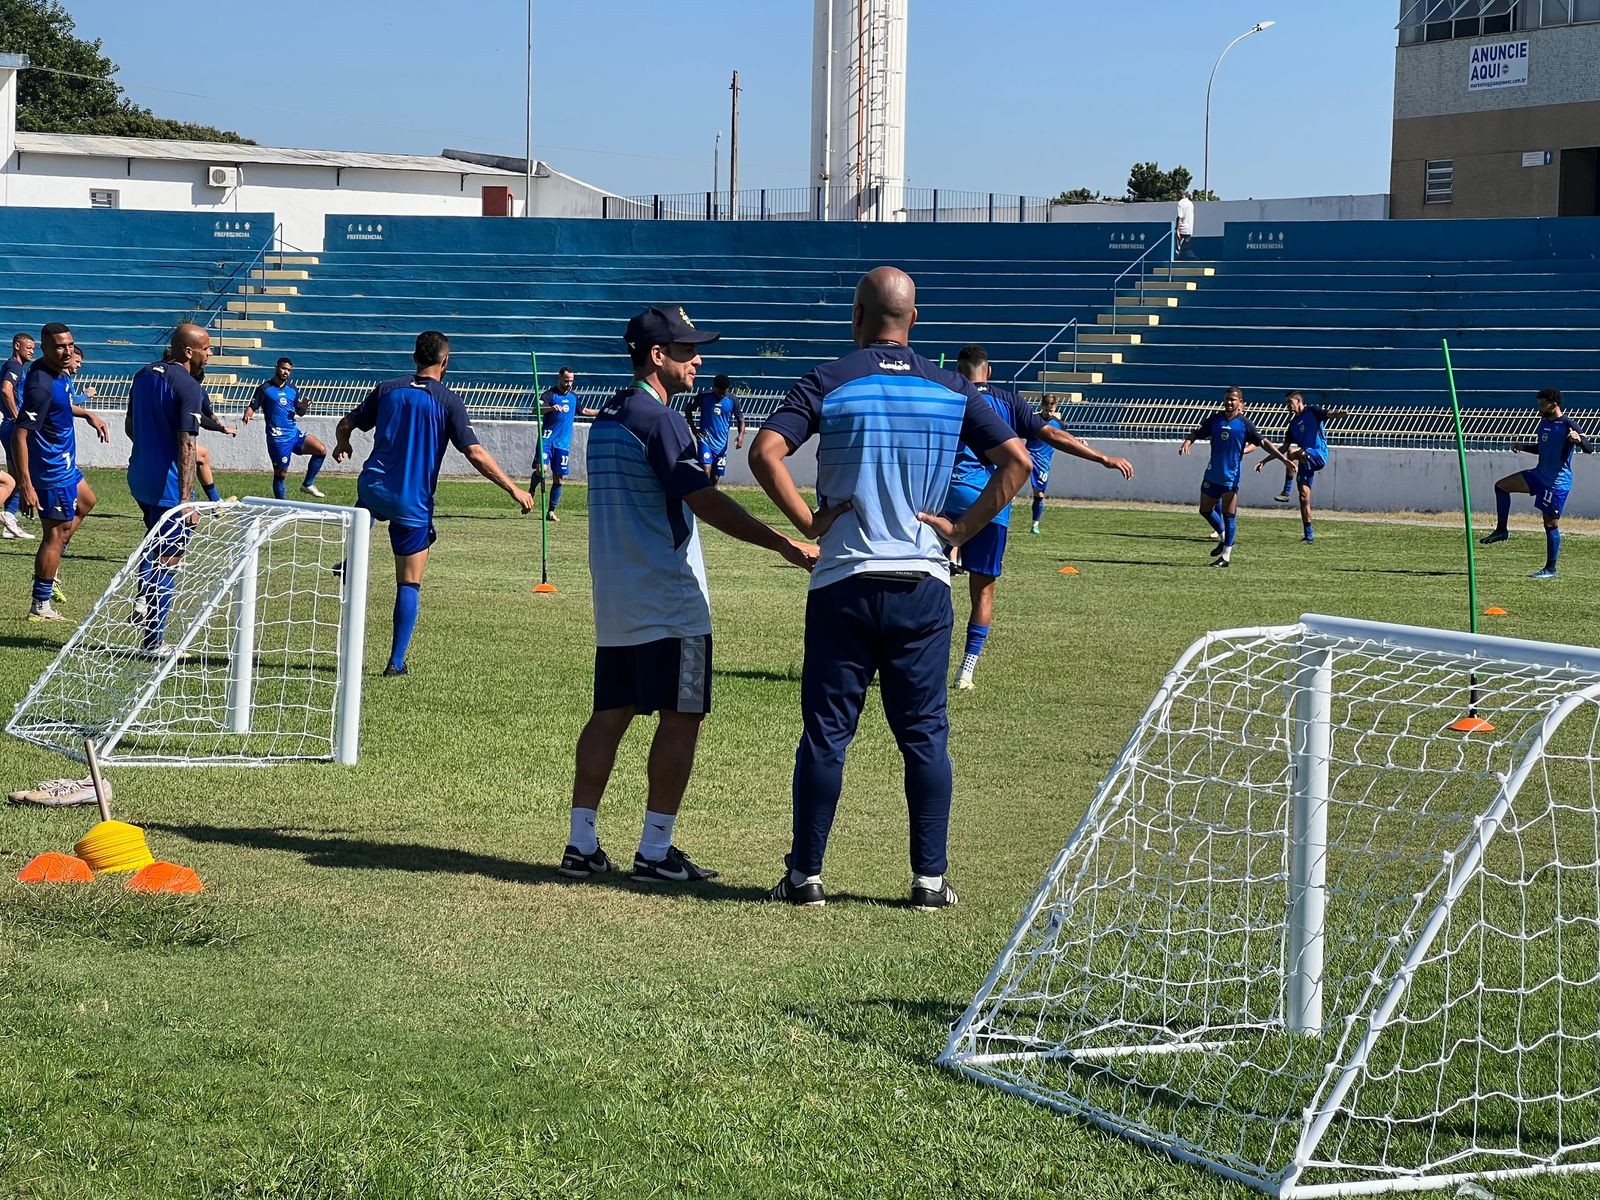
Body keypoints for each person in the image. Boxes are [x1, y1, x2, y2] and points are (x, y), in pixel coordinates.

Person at [749, 267, 1031, 911]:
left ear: (857, 315)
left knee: (826, 734)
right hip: (922, 583)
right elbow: (1018, 462)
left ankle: (805, 877)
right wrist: (960, 527)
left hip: (844, 580)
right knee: (925, 734)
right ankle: (930, 881)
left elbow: (767, 452)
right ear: (914, 320)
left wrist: (807, 523)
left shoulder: (829, 379)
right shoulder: (954, 388)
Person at [560, 307, 820, 886]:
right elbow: (704, 500)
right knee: (683, 717)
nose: (698, 359)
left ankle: (581, 843)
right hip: (671, 601)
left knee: (610, 714)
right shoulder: (663, 423)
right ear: (658, 356)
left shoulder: (606, 418)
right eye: (687, 350)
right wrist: (785, 543)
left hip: (618, 599)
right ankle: (655, 851)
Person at [332, 331, 534, 676]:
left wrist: (342, 444)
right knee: (409, 582)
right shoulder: (448, 401)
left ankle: (352, 559)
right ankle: (396, 663)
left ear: (414, 358)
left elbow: (347, 422)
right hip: (412, 502)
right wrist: (514, 489)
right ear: (445, 361)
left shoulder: (387, 389)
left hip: (373, 488)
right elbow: (474, 452)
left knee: (368, 502)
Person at [942, 345, 1133, 690]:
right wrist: (1103, 457)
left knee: (931, 586)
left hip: (949, 498)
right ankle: (965, 671)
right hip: (993, 502)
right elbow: (1054, 435)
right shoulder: (1009, 402)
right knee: (982, 593)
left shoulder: (947, 393)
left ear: (959, 371)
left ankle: (924, 661)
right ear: (990, 370)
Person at [11, 322, 109, 621]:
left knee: (87, 501)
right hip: (51, 471)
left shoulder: (59, 373)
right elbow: (20, 435)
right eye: (59, 346)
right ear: (45, 348)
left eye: (69, 345)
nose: (67, 352)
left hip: (65, 466)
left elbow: (63, 405)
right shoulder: (41, 385)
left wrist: (88, 414)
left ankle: (53, 559)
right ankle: (41, 603)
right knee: (53, 536)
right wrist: (26, 485)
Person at [125, 324, 210, 651]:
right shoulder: (188, 385)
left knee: (154, 539)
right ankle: (153, 639)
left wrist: (150, 449)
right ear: (189, 352)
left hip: (140, 477)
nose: (210, 354)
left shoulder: (144, 374)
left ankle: (142, 596)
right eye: (207, 348)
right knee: (169, 557)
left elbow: (131, 425)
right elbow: (188, 444)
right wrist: (186, 500)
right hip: (168, 486)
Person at [1479, 387, 1592, 580]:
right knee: (1501, 486)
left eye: (1542, 404)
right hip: (1538, 476)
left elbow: (1589, 448)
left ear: (1553, 405)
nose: (1539, 408)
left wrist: (1578, 440)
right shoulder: (1544, 423)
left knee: (1550, 524)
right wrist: (1523, 447)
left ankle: (1550, 569)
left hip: (1556, 483)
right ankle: (1501, 531)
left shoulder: (1568, 424)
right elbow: (1543, 448)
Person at [1178, 387, 1291, 568]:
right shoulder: (1215, 419)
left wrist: (1283, 459)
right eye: (1227, 399)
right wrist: (1187, 441)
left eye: (1233, 399)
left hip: (1230, 477)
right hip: (1212, 473)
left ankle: (1226, 557)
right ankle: (1224, 538)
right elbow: (1197, 433)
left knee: (1230, 515)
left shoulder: (1245, 424)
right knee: (1205, 510)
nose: (1229, 402)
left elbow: (1263, 443)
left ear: (1240, 403)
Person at [1263, 391, 1349, 543]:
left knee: (1292, 452)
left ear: (1298, 401)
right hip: (1304, 459)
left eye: (1290, 403)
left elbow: (1329, 414)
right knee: (1304, 497)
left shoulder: (1312, 411)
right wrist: (1265, 461)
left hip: (1318, 454)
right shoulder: (1292, 425)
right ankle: (1308, 536)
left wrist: (1339, 414)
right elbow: (1283, 448)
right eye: (1287, 404)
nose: (1287, 407)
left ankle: (1286, 490)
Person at [244, 357, 327, 499]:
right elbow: (253, 405)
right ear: (276, 367)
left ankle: (307, 484)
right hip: (278, 438)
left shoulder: (293, 389)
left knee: (321, 450)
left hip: (293, 433)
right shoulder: (265, 389)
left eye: (288, 370)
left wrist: (305, 406)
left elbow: (299, 412)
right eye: (283, 368)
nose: (286, 372)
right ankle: (281, 505)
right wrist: (248, 414)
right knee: (281, 473)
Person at [533, 366, 596, 521]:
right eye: (566, 380)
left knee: (558, 478)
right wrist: (549, 408)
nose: (568, 383)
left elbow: (585, 411)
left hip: (563, 444)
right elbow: (536, 409)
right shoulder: (549, 394)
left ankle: (551, 511)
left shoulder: (573, 397)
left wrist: (605, 411)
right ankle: (531, 491)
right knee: (542, 469)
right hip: (546, 440)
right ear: (559, 378)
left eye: (571, 381)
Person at [1, 332, 36, 539]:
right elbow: (6, 390)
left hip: (7, 426)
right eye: (28, 347)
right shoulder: (15, 366)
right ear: (17, 346)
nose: (32, 350)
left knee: (16, 475)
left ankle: (9, 521)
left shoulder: (10, 366)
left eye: (33, 347)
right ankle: (9, 517)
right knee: (22, 474)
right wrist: (16, 416)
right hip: (13, 427)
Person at [690, 374, 746, 483]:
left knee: (715, 478)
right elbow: (688, 409)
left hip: (721, 443)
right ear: (714, 387)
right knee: (706, 471)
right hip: (705, 439)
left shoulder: (732, 400)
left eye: (723, 391)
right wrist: (693, 428)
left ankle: (712, 498)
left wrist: (741, 435)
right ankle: (702, 496)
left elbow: (741, 420)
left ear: (727, 389)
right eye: (719, 391)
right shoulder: (703, 396)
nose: (721, 394)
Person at [1027, 395, 1064, 535]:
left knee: (1039, 493)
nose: (1049, 413)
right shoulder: (1033, 419)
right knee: (1012, 482)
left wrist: (1079, 442)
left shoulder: (1058, 424)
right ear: (1041, 406)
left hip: (1043, 462)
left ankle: (1035, 525)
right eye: (1046, 410)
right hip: (1029, 455)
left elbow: (1067, 438)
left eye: (1052, 410)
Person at [1176, 189, 1196, 259]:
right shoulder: (1190, 203)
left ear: (1180, 194)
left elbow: (1180, 217)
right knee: (1186, 246)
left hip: (1182, 228)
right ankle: (1193, 257)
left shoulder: (1180, 203)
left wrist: (1178, 230)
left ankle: (1176, 260)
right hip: (1189, 229)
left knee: (1177, 247)